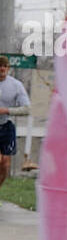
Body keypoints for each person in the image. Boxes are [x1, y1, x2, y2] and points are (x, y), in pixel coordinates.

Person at [0, 56, 31, 193]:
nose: (2, 69)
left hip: (7, 126)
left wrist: (6, 110)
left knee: (5, 164)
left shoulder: (16, 85)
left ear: (8, 68)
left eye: (4, 66)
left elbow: (27, 109)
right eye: (0, 66)